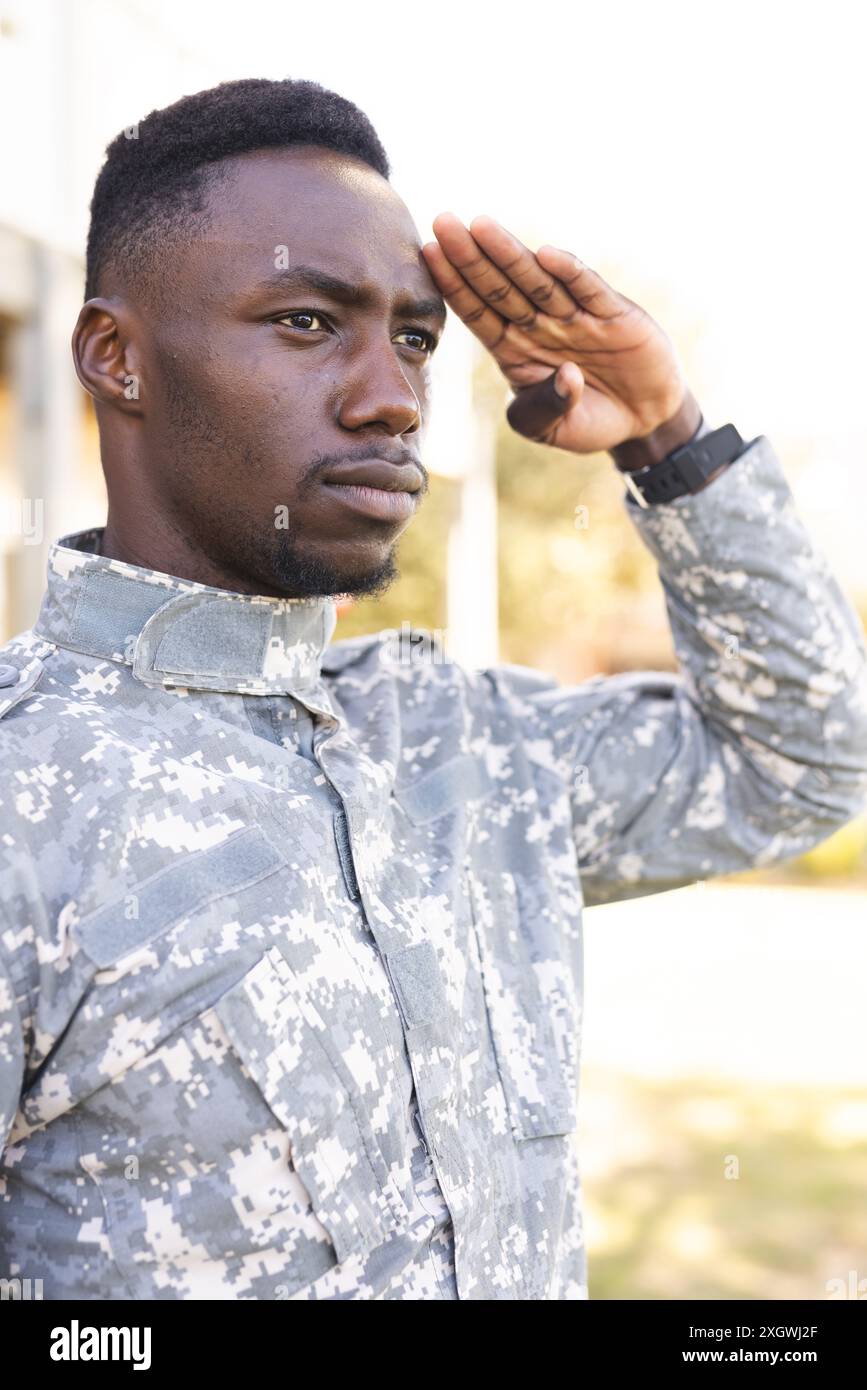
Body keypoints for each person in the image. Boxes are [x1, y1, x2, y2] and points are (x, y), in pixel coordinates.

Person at [0, 77, 864, 1302]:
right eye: (307, 323)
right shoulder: (25, 797)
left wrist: (665, 431)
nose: (395, 398)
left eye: (413, 336)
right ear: (117, 358)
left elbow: (806, 759)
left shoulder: (468, 747)